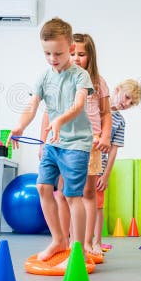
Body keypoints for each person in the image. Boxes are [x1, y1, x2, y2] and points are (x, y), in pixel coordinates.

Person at [9, 17, 93, 261]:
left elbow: (78, 105)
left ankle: (78, 250)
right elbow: (32, 105)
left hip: (76, 144)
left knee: (72, 196)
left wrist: (59, 121)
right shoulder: (44, 77)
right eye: (47, 53)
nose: (52, 58)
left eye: (58, 53)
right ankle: (58, 240)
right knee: (43, 187)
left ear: (70, 48)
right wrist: (20, 126)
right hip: (53, 144)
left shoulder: (80, 76)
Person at [39, 33, 110, 259]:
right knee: (63, 193)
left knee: (87, 193)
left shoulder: (98, 82)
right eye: (73, 53)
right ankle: (65, 240)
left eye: (82, 54)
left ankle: (86, 242)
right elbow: (49, 113)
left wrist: (105, 137)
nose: (76, 58)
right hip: (61, 142)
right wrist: (43, 141)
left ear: (90, 56)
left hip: (90, 142)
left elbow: (106, 113)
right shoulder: (59, 79)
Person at [94, 79, 141, 251]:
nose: (127, 104)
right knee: (78, 201)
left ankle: (96, 242)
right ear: (117, 89)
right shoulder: (96, 107)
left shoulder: (120, 121)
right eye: (127, 97)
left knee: (98, 205)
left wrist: (106, 175)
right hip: (82, 162)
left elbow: (113, 150)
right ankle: (77, 242)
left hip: (99, 167)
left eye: (132, 103)